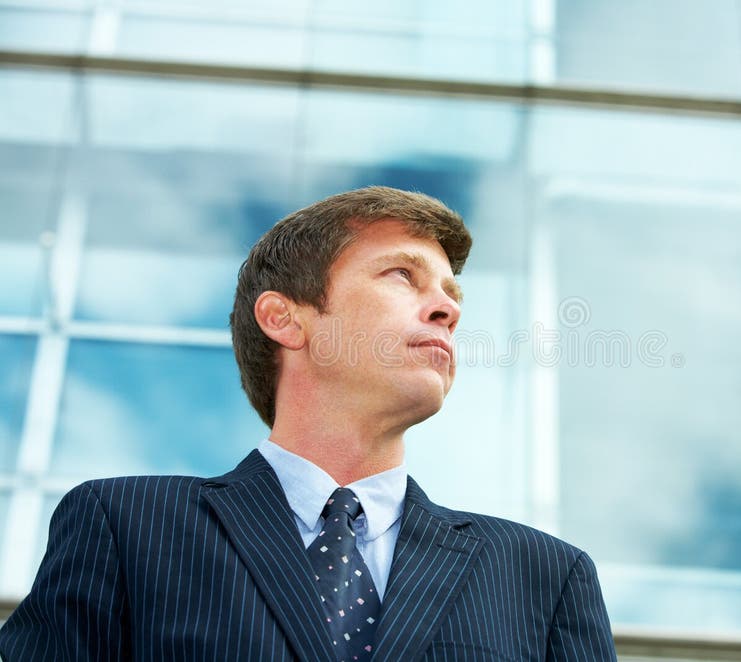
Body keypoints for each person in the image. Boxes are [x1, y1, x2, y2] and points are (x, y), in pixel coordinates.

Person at [0, 186, 616, 661]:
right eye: (402, 274)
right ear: (285, 320)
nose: (447, 309)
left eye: (453, 294)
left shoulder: (545, 578)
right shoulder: (126, 527)